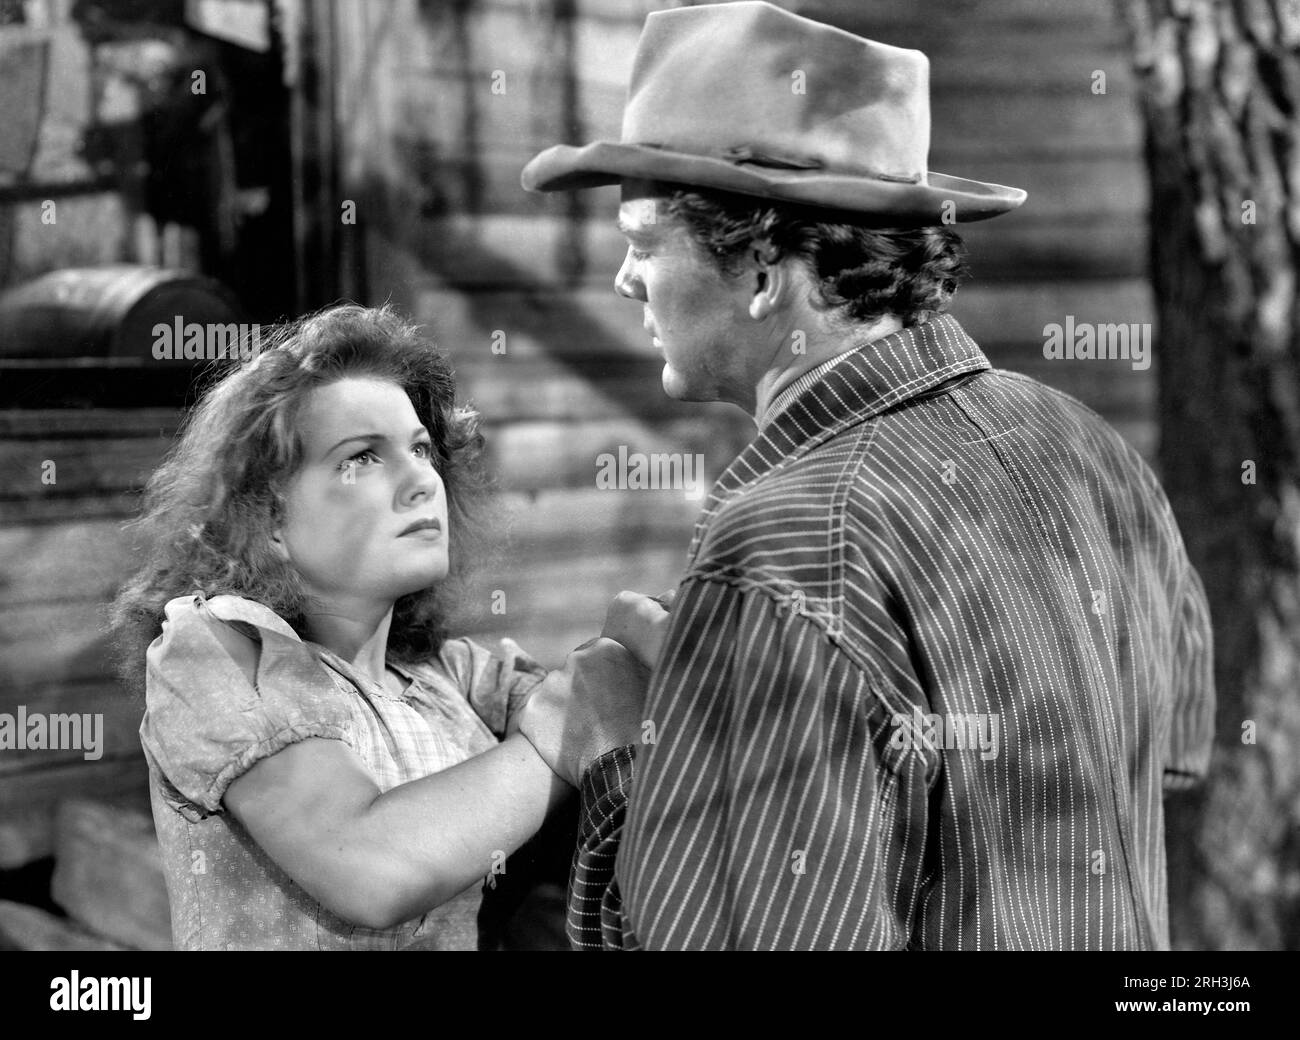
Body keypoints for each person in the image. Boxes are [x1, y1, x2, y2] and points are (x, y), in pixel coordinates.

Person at [520, 1, 1216, 950]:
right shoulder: (1092, 445)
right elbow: (1161, 764)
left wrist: (619, 744)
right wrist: (741, 703)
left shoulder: (790, 536)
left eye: (643, 244)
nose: (625, 281)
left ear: (764, 267)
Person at [110, 304, 647, 950]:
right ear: (270, 521)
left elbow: (607, 706)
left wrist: (649, 650)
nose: (422, 480)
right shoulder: (213, 651)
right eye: (362, 458)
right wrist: (568, 724)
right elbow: (368, 868)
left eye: (421, 449)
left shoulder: (449, 677)